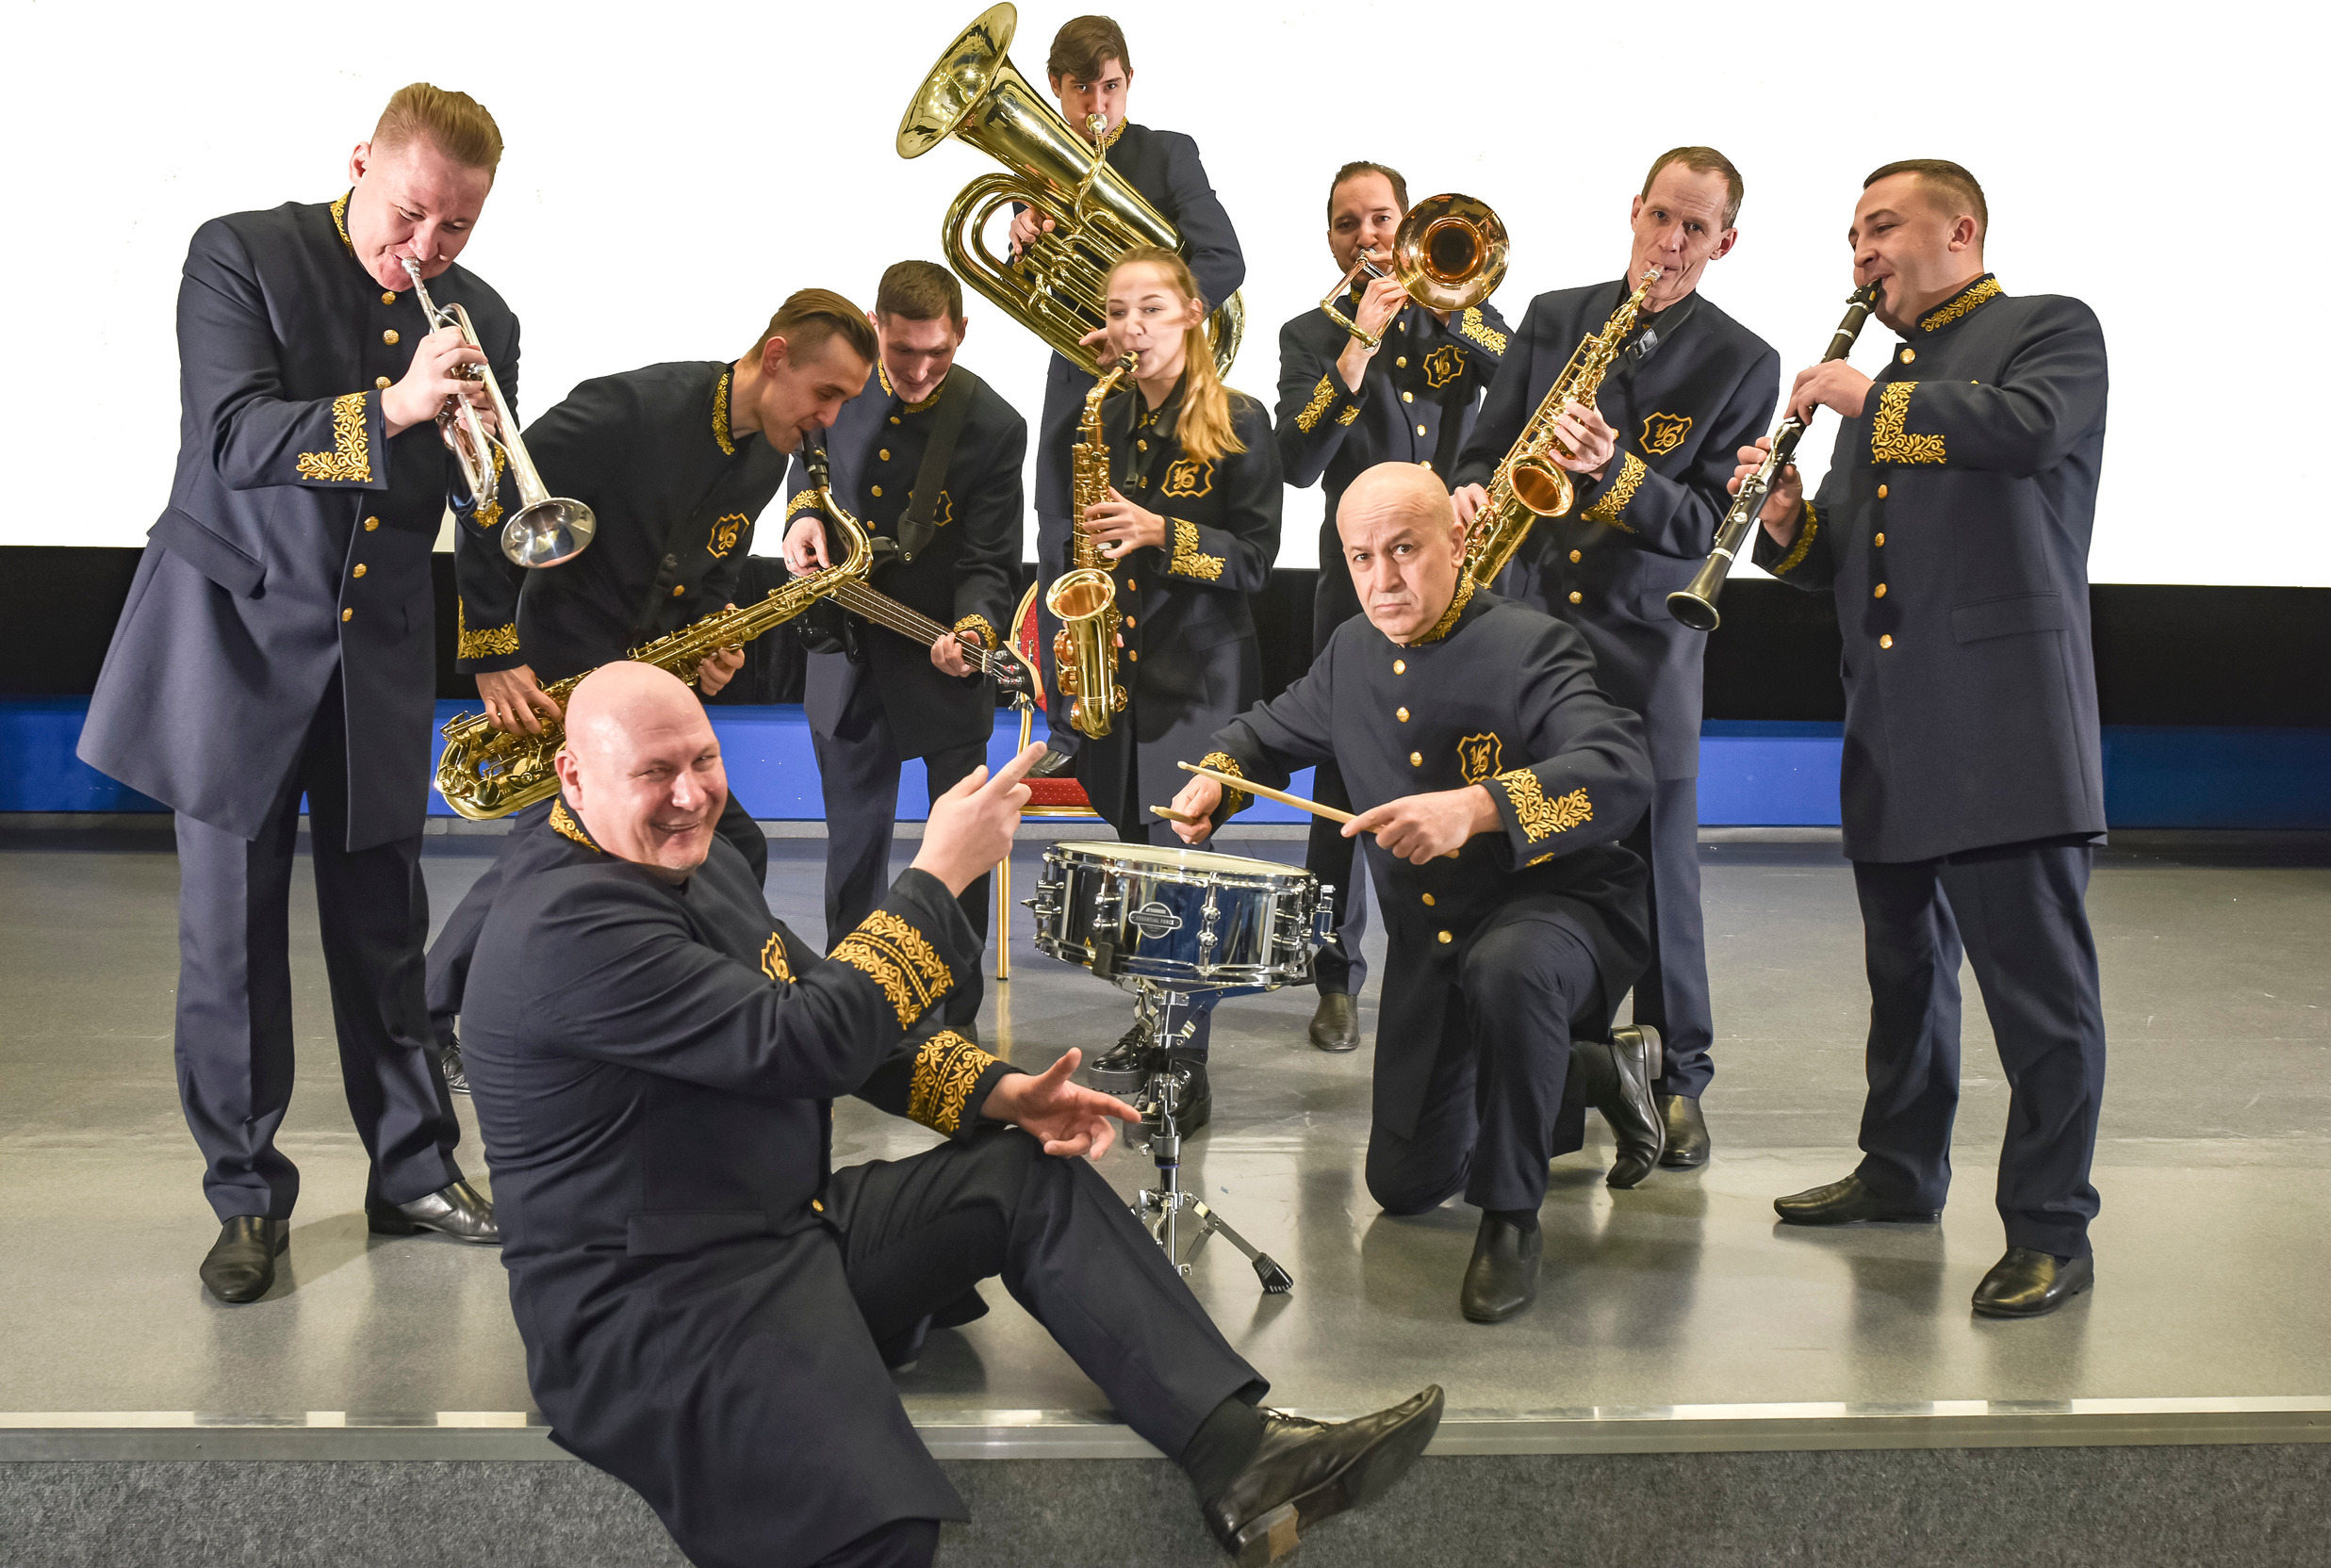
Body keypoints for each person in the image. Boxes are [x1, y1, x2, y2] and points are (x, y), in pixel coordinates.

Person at [460, 660, 1443, 1568]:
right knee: (874, 1526)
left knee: (1022, 1173)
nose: (690, 793)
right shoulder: (565, 925)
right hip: (653, 1302)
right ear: (572, 778)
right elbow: (803, 1044)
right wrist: (937, 880)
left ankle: (1245, 1457)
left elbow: (808, 995)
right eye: (654, 772)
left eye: (704, 759)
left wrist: (999, 1092)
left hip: (768, 1230)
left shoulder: (687, 856)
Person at [76, 84, 514, 1303]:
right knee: (232, 943)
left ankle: (415, 1171)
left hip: (373, 651)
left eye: (457, 231)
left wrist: (495, 632)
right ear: (362, 161)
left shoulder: (484, 317)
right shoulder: (240, 253)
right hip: (230, 645)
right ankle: (249, 1200)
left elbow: (484, 503)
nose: (426, 250)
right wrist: (396, 408)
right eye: (411, 214)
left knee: (388, 933)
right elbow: (230, 439)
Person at [1737, 159, 2109, 1319]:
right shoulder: (1883, 382)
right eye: (1853, 237)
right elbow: (1850, 557)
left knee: (2037, 995)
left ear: (1961, 229)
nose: (1862, 254)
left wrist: (1867, 405)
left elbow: (2029, 430)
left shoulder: (2047, 330)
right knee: (1903, 976)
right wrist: (1791, 528)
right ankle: (1902, 1170)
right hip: (1893, 724)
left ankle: (2052, 1227)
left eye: (1881, 228)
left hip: (2004, 724)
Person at [1167, 465, 1663, 1324]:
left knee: (1512, 971)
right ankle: (1598, 1067)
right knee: (1405, 1186)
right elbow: (1267, 731)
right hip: (1437, 946)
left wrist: (1477, 807)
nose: (1382, 580)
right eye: (1361, 557)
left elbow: (1620, 774)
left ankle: (1513, 1219)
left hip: (1562, 909)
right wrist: (1220, 779)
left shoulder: (1530, 644)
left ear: (1459, 543)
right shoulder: (1353, 651)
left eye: (1404, 551)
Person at [424, 290, 878, 1088]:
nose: (830, 419)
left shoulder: (765, 453)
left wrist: (714, 640)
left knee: (713, 842)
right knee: (562, 839)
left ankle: (668, 988)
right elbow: (496, 498)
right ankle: (432, 1015)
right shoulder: (629, 409)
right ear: (775, 358)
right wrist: (491, 649)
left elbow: (716, 565)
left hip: (640, 676)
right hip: (561, 673)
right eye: (827, 394)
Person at [1450, 147, 1780, 1171]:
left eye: (1696, 230)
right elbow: (1482, 447)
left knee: (1661, 869)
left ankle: (1680, 1074)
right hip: (1531, 642)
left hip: (1646, 652)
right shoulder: (1555, 317)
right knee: (1534, 856)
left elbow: (1704, 527)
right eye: (1661, 220)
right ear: (1634, 212)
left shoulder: (1743, 361)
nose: (1671, 245)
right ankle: (1561, 1071)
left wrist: (1614, 472)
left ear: (1725, 241)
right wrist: (1464, 489)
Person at [1274, 160, 1515, 1054]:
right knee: (1344, 780)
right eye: (1349, 224)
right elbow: (1297, 461)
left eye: (1381, 220)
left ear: (1408, 225)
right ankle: (1333, 976)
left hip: (1460, 584)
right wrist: (1358, 346)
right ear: (1330, 237)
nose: (1367, 238)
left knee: (1465, 767)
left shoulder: (1462, 310)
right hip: (1358, 592)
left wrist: (1447, 305)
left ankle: (1471, 958)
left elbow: (1522, 381)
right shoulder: (1310, 334)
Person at [1048, 246, 1283, 1137]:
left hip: (1200, 680)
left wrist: (1162, 532)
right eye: (1117, 312)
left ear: (1193, 315)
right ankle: (1157, 1022)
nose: (1130, 328)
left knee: (1179, 872)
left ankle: (1188, 1066)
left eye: (1150, 309)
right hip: (1120, 676)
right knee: (1138, 860)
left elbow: (1255, 562)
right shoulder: (1096, 417)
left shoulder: (1242, 422)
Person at [777, 261, 1026, 1038]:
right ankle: (850, 1014)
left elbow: (991, 560)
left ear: (961, 336)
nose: (920, 372)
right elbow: (806, 469)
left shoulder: (994, 425)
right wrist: (798, 520)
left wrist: (978, 633)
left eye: (939, 355)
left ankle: (955, 1022)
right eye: (904, 352)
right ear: (878, 327)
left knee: (963, 854)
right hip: (843, 657)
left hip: (942, 658)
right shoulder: (840, 386)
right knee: (853, 854)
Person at [1012, 12, 1245, 774]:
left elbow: (1223, 259)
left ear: (1129, 82)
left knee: (1150, 538)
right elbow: (1028, 291)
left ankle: (1163, 724)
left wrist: (1155, 318)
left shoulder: (1168, 154)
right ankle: (1074, 726)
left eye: (1111, 87)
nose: (1099, 106)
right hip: (1080, 379)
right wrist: (1026, 241)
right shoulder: (1031, 170)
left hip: (1164, 387)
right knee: (1060, 536)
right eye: (1083, 91)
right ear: (1056, 89)